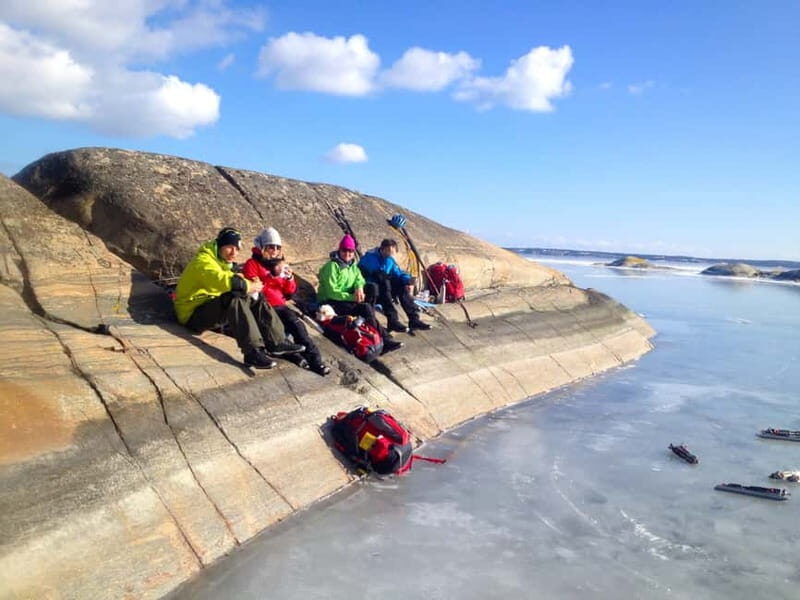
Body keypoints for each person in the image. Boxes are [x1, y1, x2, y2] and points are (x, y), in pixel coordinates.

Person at [173, 227, 305, 369]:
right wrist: (249, 285)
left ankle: (276, 342)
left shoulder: (222, 262)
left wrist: (251, 286)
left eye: (237, 249)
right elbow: (222, 280)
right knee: (235, 297)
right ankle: (252, 352)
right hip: (192, 315)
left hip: (208, 308)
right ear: (220, 245)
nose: (234, 253)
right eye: (230, 247)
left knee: (254, 296)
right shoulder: (203, 261)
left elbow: (233, 276)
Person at [242, 227, 331, 376]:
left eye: (278, 247)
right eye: (271, 246)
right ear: (262, 246)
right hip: (263, 307)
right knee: (280, 332)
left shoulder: (280, 264)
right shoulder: (252, 264)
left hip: (281, 306)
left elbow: (289, 292)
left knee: (298, 326)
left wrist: (289, 278)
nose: (275, 250)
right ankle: (296, 357)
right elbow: (254, 288)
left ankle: (316, 361)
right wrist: (273, 276)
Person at [317, 234, 403, 353]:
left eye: (351, 251)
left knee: (371, 289)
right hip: (331, 301)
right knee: (365, 309)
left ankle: (379, 333)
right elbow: (332, 292)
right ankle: (384, 338)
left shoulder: (352, 266)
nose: (347, 254)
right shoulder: (332, 267)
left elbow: (360, 279)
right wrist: (353, 297)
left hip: (345, 299)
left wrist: (359, 288)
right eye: (345, 250)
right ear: (340, 250)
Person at [358, 238, 431, 333]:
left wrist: (408, 280)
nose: (390, 254)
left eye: (392, 252)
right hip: (370, 289)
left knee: (401, 285)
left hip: (384, 289)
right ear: (382, 249)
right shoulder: (370, 258)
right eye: (388, 251)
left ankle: (414, 319)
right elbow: (378, 274)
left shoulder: (390, 260)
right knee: (385, 282)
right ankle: (393, 320)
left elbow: (398, 273)